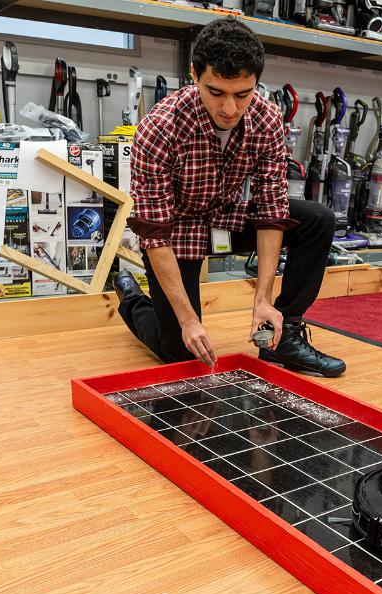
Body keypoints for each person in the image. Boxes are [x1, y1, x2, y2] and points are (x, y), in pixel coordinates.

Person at [113, 17, 345, 378]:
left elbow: (272, 212)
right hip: (176, 232)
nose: (230, 109)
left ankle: (283, 336)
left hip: (226, 217)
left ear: (255, 81)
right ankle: (131, 297)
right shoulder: (159, 128)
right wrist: (188, 320)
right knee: (181, 355)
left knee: (317, 220)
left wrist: (263, 301)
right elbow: (155, 234)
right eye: (216, 92)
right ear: (194, 75)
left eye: (242, 94)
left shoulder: (267, 118)